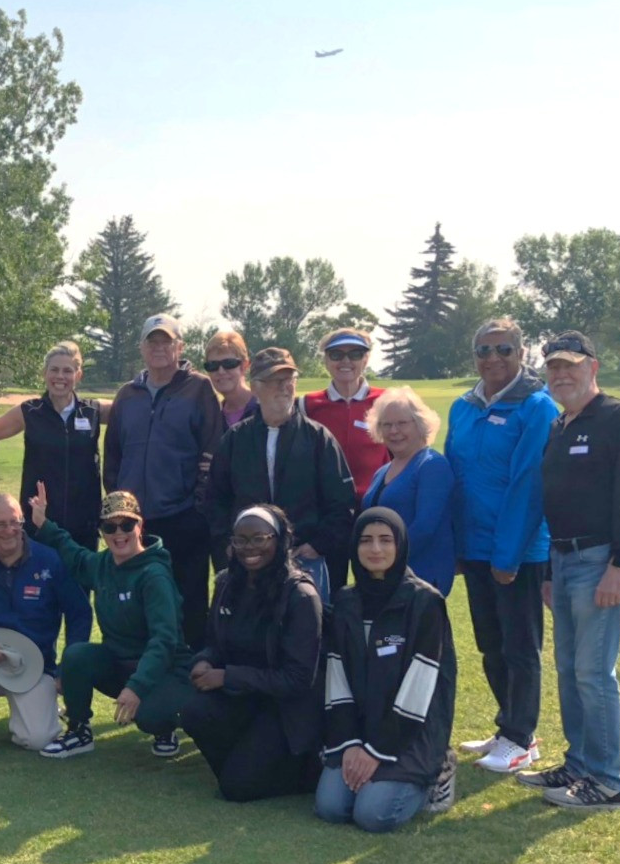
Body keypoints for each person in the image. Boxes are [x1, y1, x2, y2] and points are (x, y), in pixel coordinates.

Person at [516, 331, 620, 811]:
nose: (560, 374)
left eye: (570, 365)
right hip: (563, 559)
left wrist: (619, 563)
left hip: (599, 560)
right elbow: (556, 500)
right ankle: (579, 766)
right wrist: (550, 569)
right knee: (569, 671)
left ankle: (607, 782)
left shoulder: (617, 417)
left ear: (593, 366)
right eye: (552, 366)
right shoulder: (559, 426)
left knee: (594, 673)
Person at [444, 318, 559, 774]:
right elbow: (454, 476)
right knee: (489, 643)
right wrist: (454, 544)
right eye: (484, 350)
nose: (493, 358)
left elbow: (528, 486)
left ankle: (521, 738)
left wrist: (507, 556)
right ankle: (508, 726)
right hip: (474, 547)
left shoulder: (537, 407)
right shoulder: (463, 407)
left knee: (519, 646)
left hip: (518, 551)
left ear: (521, 354)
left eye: (503, 350)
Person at [317, 509, 457, 831]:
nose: (375, 550)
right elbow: (337, 677)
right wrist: (351, 743)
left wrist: (377, 750)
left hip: (410, 731)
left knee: (373, 815)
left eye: (385, 540)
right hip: (361, 730)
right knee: (331, 807)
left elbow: (420, 686)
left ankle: (438, 775)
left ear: (401, 546)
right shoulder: (346, 601)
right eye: (366, 541)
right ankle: (371, 771)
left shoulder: (425, 602)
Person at [29, 488, 192, 759]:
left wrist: (137, 687)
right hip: (120, 664)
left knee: (150, 717)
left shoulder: (154, 575)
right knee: (76, 655)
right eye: (110, 526)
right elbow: (76, 556)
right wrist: (43, 524)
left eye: (126, 524)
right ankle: (79, 730)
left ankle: (166, 726)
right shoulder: (103, 564)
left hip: (164, 669)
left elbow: (164, 641)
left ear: (140, 526)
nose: (119, 533)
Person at [179, 505, 324, 802]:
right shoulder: (226, 583)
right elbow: (215, 643)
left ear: (279, 540)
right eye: (240, 540)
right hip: (242, 696)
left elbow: (297, 680)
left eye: (260, 538)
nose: (249, 548)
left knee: (236, 788)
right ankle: (247, 763)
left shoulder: (301, 595)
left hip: (284, 708)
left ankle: (306, 769)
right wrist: (204, 660)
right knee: (194, 711)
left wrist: (227, 676)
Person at [103, 314, 224, 645]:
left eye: (166, 341)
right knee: (142, 602)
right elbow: (113, 454)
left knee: (188, 602)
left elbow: (213, 451)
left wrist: (196, 505)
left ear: (180, 347)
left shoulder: (199, 389)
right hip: (135, 523)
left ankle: (188, 678)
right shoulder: (127, 395)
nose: (159, 348)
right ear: (141, 348)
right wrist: (120, 508)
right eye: (152, 342)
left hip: (184, 518)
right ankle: (143, 681)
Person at [0, 493, 93, 750]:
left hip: (36, 666)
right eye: (0, 524)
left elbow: (79, 612)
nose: (10, 530)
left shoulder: (49, 560)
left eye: (15, 522)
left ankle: (33, 710)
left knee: (36, 740)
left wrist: (65, 668)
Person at [208, 347, 354, 603]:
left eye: (290, 380)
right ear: (255, 387)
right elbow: (215, 498)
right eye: (275, 381)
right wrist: (229, 546)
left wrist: (317, 545)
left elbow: (341, 502)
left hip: (306, 563)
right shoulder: (235, 440)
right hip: (249, 561)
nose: (285, 387)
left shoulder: (319, 438)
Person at [0, 341, 106, 550]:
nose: (60, 376)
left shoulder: (93, 411)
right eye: (54, 370)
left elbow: (133, 407)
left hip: (84, 524)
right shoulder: (29, 412)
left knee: (79, 582)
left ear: (78, 376)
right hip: (39, 522)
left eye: (67, 371)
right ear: (44, 373)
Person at [300, 328, 390, 587]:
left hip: (373, 511)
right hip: (327, 516)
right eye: (336, 354)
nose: (346, 362)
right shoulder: (308, 404)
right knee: (330, 591)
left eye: (355, 354)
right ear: (326, 361)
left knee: (374, 589)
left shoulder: (386, 401)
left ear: (366, 358)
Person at [360, 387, 455, 596]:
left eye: (402, 423)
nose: (394, 431)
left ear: (420, 424)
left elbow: (425, 527)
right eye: (387, 425)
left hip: (420, 577)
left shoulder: (432, 466)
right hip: (385, 575)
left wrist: (385, 558)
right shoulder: (383, 471)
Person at [204, 330, 258, 430]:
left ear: (244, 366)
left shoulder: (263, 409)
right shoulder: (212, 417)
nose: (221, 371)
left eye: (229, 363)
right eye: (213, 365)